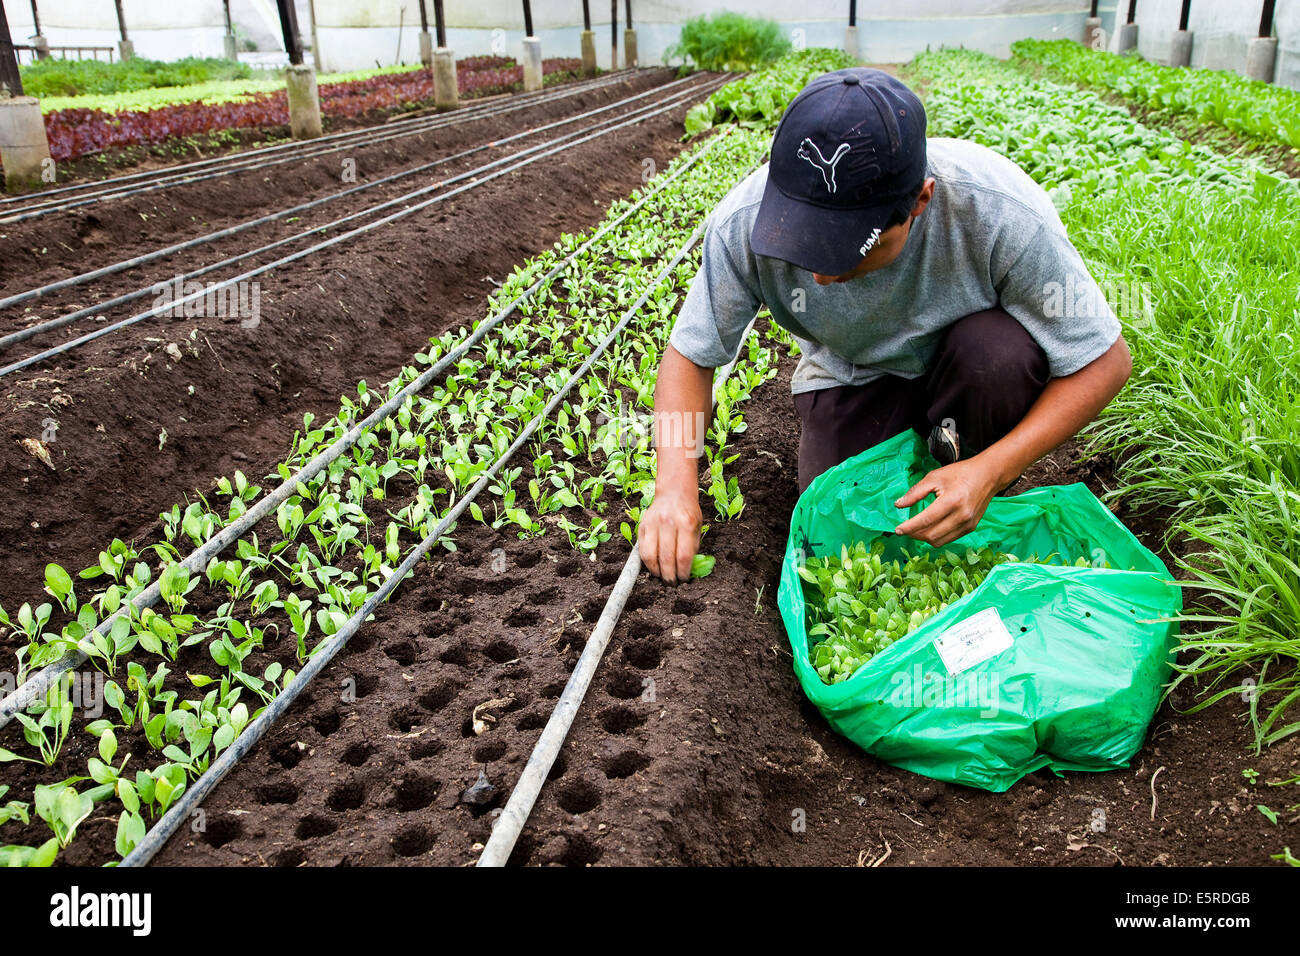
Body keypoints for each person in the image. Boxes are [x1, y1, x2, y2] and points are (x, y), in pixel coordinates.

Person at [639, 67, 1132, 583]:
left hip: (969, 372)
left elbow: (1105, 361)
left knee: (998, 355)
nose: (822, 274)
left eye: (851, 248)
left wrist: (992, 471)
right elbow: (691, 357)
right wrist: (674, 488)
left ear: (920, 201)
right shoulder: (742, 222)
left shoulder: (998, 212)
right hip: (852, 376)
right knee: (842, 543)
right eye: (804, 242)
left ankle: (966, 463)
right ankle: (924, 465)